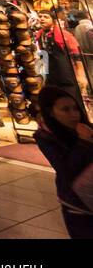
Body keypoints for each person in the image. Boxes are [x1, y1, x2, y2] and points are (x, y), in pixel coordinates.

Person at [34, 85, 93, 237]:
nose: (74, 114)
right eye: (65, 109)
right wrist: (83, 142)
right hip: (76, 204)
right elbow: (66, 169)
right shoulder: (45, 137)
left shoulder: (84, 127)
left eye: (75, 108)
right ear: (51, 112)